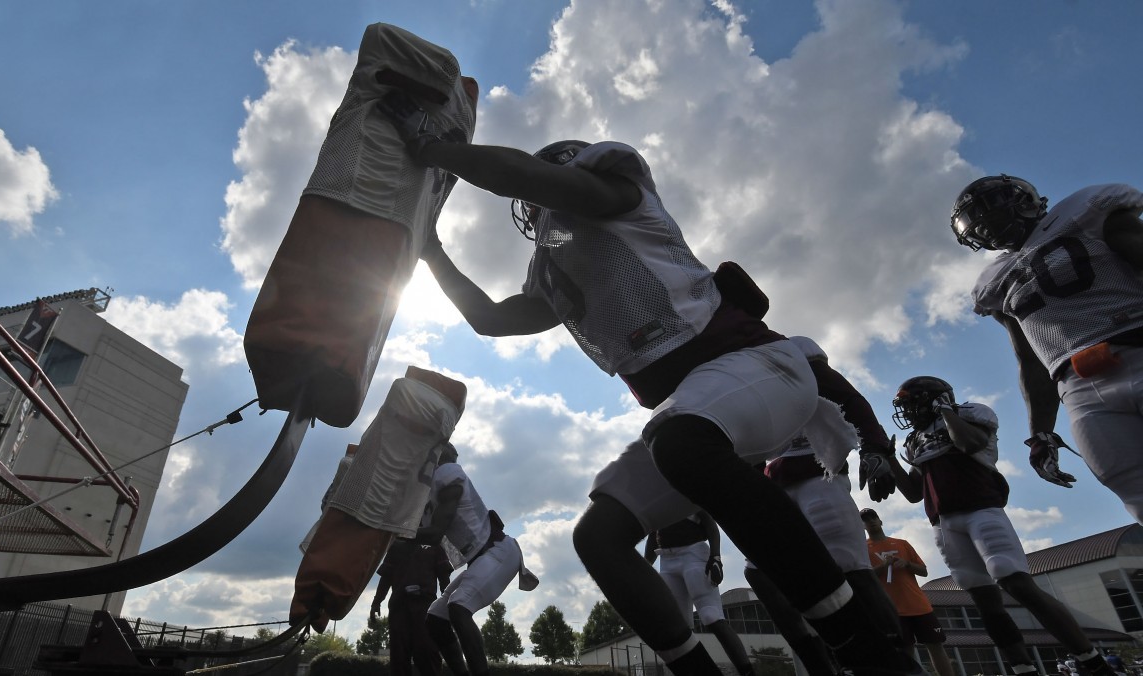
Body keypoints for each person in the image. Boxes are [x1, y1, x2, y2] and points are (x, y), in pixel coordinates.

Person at [376, 92, 917, 676]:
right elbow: (492, 320)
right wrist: (431, 252)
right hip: (693, 409)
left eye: (544, 183)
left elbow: (520, 175)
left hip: (759, 369)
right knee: (600, 538)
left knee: (682, 443)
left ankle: (865, 650)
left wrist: (434, 149)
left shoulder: (621, 197)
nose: (539, 203)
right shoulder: (556, 270)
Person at [888, 375, 1114, 676]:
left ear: (935, 398)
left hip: (981, 508)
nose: (909, 412)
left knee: (1017, 583)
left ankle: (1092, 662)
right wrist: (888, 458)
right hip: (943, 522)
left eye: (911, 404)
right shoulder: (916, 439)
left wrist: (946, 412)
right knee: (984, 600)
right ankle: (1023, 668)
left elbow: (970, 444)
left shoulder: (969, 415)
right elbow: (915, 493)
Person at [950, 176, 1143, 523]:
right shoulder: (995, 280)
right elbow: (1030, 360)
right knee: (1133, 491)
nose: (987, 228)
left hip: (1136, 344)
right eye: (977, 225)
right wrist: (1039, 433)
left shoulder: (1087, 212)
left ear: (1022, 200)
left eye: (989, 214)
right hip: (1080, 388)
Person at [742, 336, 904, 676]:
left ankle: (900, 662)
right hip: (775, 487)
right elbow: (744, 440)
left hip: (820, 477)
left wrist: (873, 447)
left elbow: (846, 396)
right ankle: (822, 666)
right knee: (760, 574)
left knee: (850, 569)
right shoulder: (732, 368)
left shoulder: (788, 350)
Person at [416, 442, 537, 676]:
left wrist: (391, 531)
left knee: (458, 607)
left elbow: (433, 534)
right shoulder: (432, 491)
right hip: (482, 558)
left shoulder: (449, 475)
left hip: (498, 551)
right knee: (435, 620)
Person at [643, 511, 755, 676]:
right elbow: (654, 534)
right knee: (677, 629)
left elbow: (709, 521)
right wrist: (645, 567)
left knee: (711, 615)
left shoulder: (680, 488)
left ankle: (747, 672)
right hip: (666, 560)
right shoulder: (653, 494)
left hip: (693, 553)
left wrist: (716, 557)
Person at [859, 508, 955, 676]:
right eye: (866, 520)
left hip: (920, 607)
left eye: (874, 517)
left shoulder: (902, 543)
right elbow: (866, 578)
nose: (872, 521)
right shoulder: (863, 549)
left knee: (936, 647)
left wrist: (907, 564)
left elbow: (924, 571)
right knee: (904, 653)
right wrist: (883, 565)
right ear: (862, 526)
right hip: (892, 611)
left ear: (880, 520)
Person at [370, 537, 453, 676]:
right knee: (399, 657)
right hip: (399, 608)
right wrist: (376, 602)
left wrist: (448, 606)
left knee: (427, 651)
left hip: (426, 607)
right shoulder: (396, 546)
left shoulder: (434, 544)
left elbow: (444, 578)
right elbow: (386, 577)